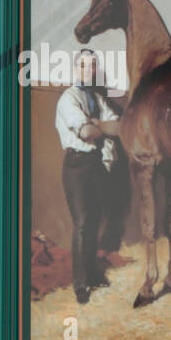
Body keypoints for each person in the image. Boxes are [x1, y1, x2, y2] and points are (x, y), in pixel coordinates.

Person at [54, 49, 124, 304]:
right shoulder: (68, 99)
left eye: (93, 66)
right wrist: (98, 125)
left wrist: (98, 125)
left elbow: (117, 126)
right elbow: (85, 133)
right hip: (77, 165)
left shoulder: (96, 97)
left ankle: (94, 275)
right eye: (84, 66)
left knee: (95, 221)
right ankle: (81, 285)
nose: (89, 70)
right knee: (83, 223)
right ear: (76, 70)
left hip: (96, 164)